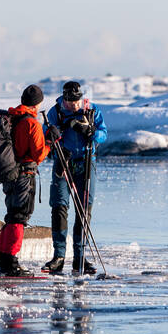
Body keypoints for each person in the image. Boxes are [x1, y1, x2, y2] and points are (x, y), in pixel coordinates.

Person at [43, 81, 107, 275]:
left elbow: (104, 134)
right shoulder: (56, 112)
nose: (74, 105)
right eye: (70, 102)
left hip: (87, 162)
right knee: (59, 207)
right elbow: (46, 135)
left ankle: (80, 256)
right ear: (64, 99)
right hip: (63, 162)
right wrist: (51, 136)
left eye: (77, 101)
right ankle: (59, 256)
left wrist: (92, 133)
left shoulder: (92, 110)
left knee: (84, 209)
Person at [0, 84, 50, 278]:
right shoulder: (31, 123)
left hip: (10, 174)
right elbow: (39, 154)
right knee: (19, 216)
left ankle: (1, 260)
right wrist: (50, 142)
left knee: (12, 216)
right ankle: (11, 263)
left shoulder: (14, 117)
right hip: (25, 175)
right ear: (36, 104)